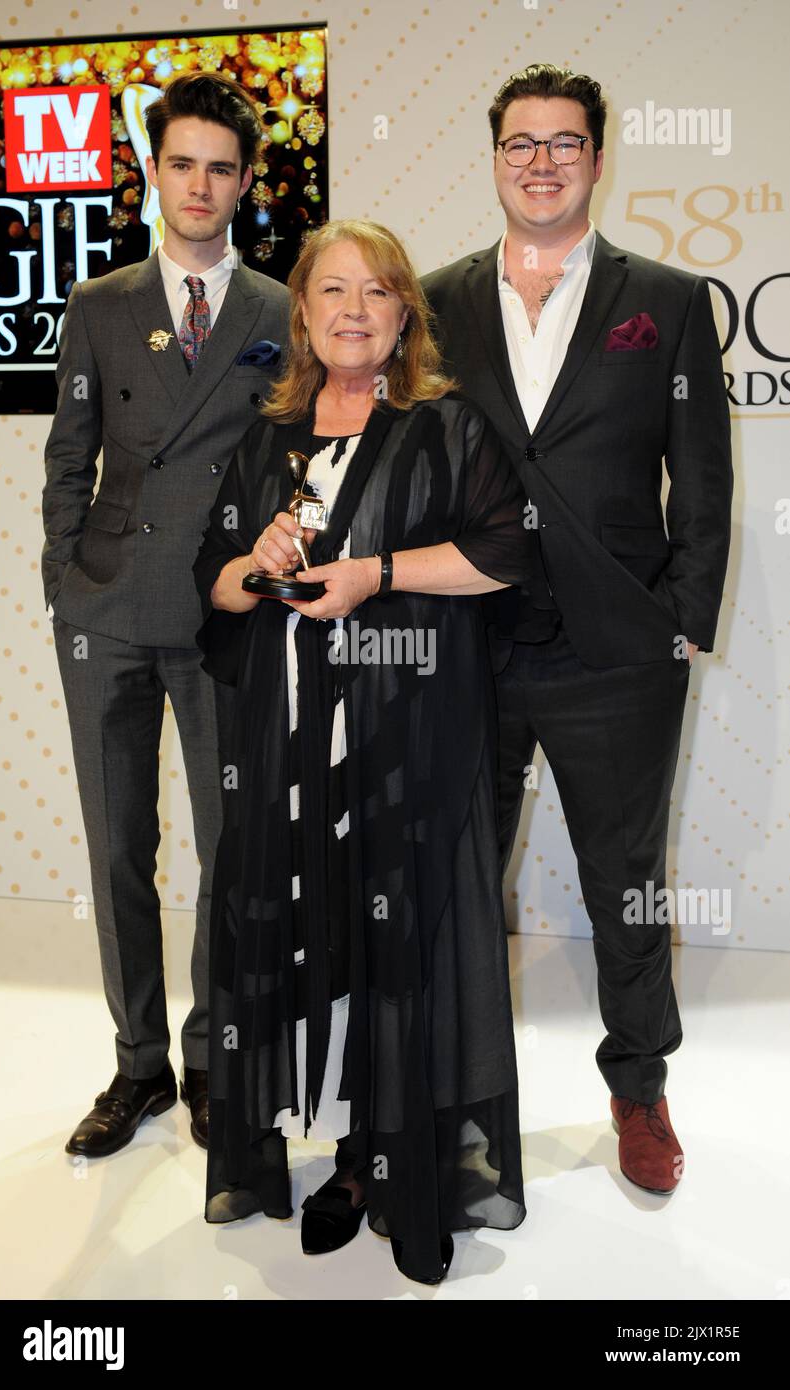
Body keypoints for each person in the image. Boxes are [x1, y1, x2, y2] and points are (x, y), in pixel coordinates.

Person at [192, 219, 533, 1284]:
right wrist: (254, 563)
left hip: (405, 737)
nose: (353, 310)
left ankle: (383, 1153)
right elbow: (214, 584)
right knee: (318, 932)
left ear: (403, 315)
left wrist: (373, 574)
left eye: (376, 292)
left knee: (399, 938)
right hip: (287, 736)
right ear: (300, 314)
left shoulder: (445, 425)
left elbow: (502, 554)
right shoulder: (266, 438)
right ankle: (338, 1135)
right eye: (331, 291)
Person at [421, 63, 732, 1196]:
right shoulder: (435, 300)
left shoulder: (670, 300)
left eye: (563, 142)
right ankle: (455, 1093)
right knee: (456, 876)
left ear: (597, 158)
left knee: (625, 883)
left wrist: (682, 617)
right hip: (470, 637)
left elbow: (702, 477)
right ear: (494, 158)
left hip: (617, 647)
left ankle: (638, 1088)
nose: (541, 161)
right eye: (521, 142)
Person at [41, 73, 290, 1159]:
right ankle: (137, 1064)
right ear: (152, 172)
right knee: (117, 849)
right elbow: (68, 457)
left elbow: (298, 459)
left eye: (220, 168)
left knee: (230, 851)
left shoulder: (280, 309)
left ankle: (213, 1057)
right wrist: (64, 579)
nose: (199, 185)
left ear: (246, 181)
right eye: (180, 163)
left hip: (224, 613)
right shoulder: (99, 305)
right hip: (106, 608)